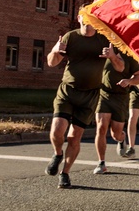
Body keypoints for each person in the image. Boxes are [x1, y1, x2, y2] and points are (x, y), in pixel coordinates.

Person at [44, 16, 115, 189]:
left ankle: (65, 173)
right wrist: (54, 51)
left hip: (90, 95)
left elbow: (120, 67)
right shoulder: (71, 37)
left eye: (90, 17)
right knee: (56, 130)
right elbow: (52, 63)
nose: (86, 21)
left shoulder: (104, 39)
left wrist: (112, 57)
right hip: (68, 91)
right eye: (83, 16)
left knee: (74, 136)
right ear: (79, 18)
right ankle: (58, 153)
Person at [93, 49, 139, 174]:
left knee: (116, 133)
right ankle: (101, 163)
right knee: (101, 127)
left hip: (121, 98)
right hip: (104, 95)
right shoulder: (103, 52)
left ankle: (121, 139)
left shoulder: (128, 56)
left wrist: (129, 81)